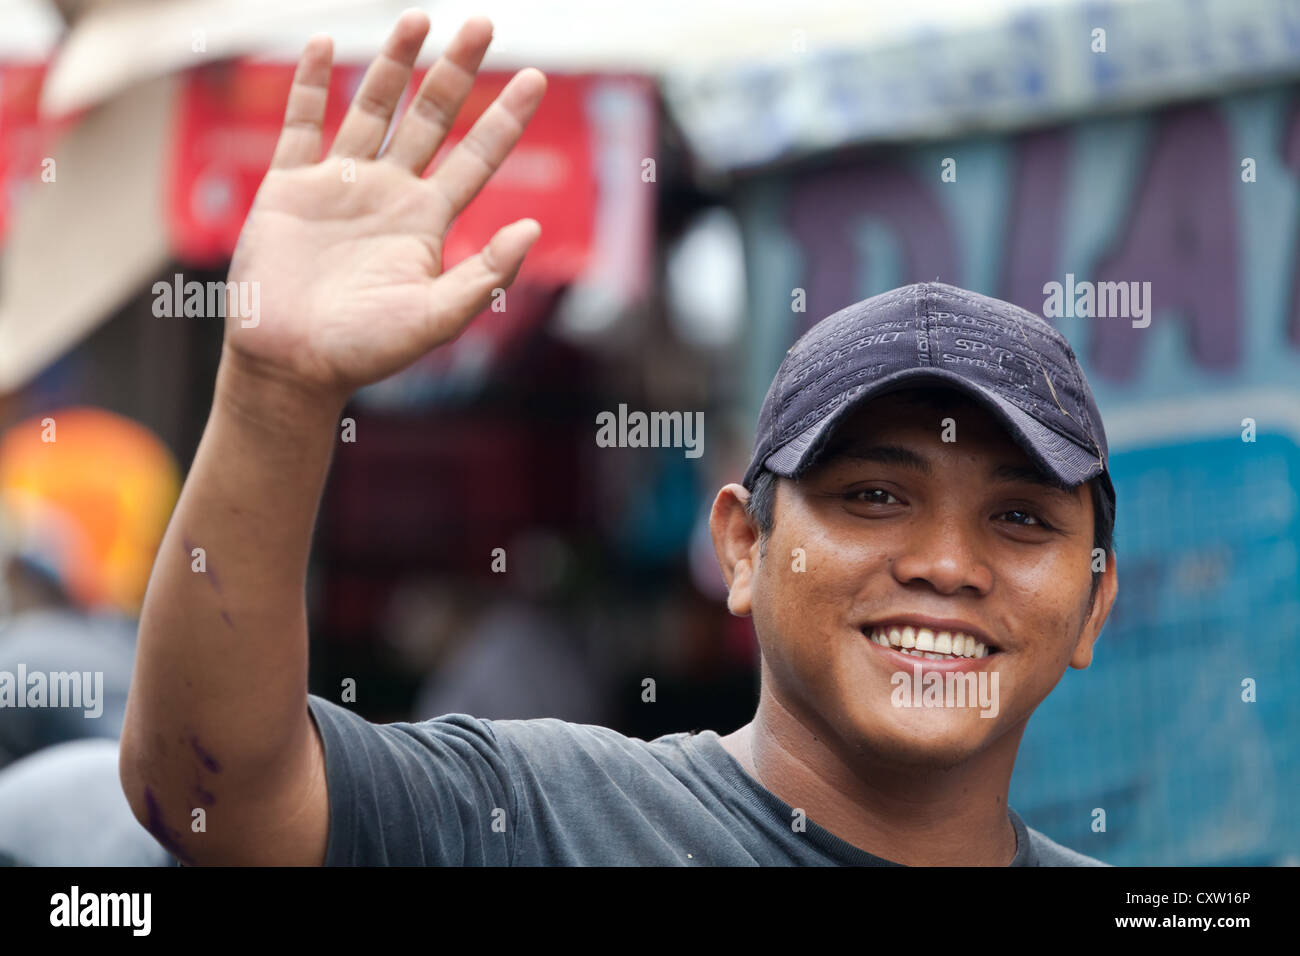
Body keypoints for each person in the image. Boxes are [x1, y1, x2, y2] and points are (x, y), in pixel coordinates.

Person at [120, 10, 1118, 866]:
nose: (947, 562)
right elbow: (217, 794)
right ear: (741, 542)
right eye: (873, 496)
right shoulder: (544, 814)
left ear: (1092, 602)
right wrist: (273, 394)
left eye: (1020, 516)